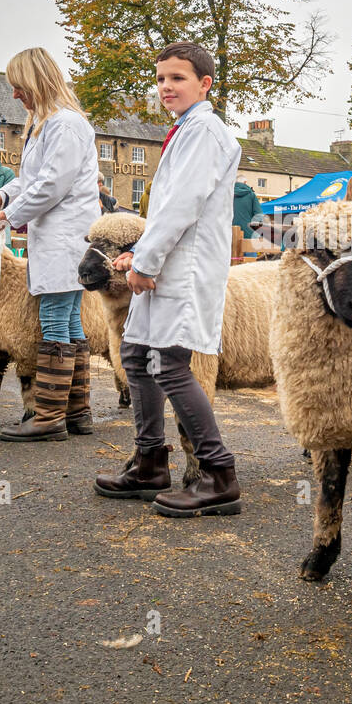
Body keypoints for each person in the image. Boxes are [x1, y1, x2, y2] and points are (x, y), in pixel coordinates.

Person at [94, 41, 242, 517]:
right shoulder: (184, 130)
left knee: (170, 363)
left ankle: (219, 474)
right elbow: (167, 205)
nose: (165, 87)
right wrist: (141, 250)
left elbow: (184, 204)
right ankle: (150, 461)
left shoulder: (205, 132)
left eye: (177, 78)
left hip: (185, 266)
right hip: (165, 262)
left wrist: (146, 263)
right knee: (137, 356)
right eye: (160, 79)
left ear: (205, 83)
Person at [0, 47, 100, 441]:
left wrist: (9, 216)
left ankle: (48, 417)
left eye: (18, 87)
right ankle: (76, 411)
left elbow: (51, 184)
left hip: (64, 237)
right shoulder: (48, 124)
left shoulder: (63, 125)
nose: (15, 95)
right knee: (69, 320)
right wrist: (1, 198)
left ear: (35, 81)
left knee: (54, 321)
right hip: (60, 236)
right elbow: (34, 180)